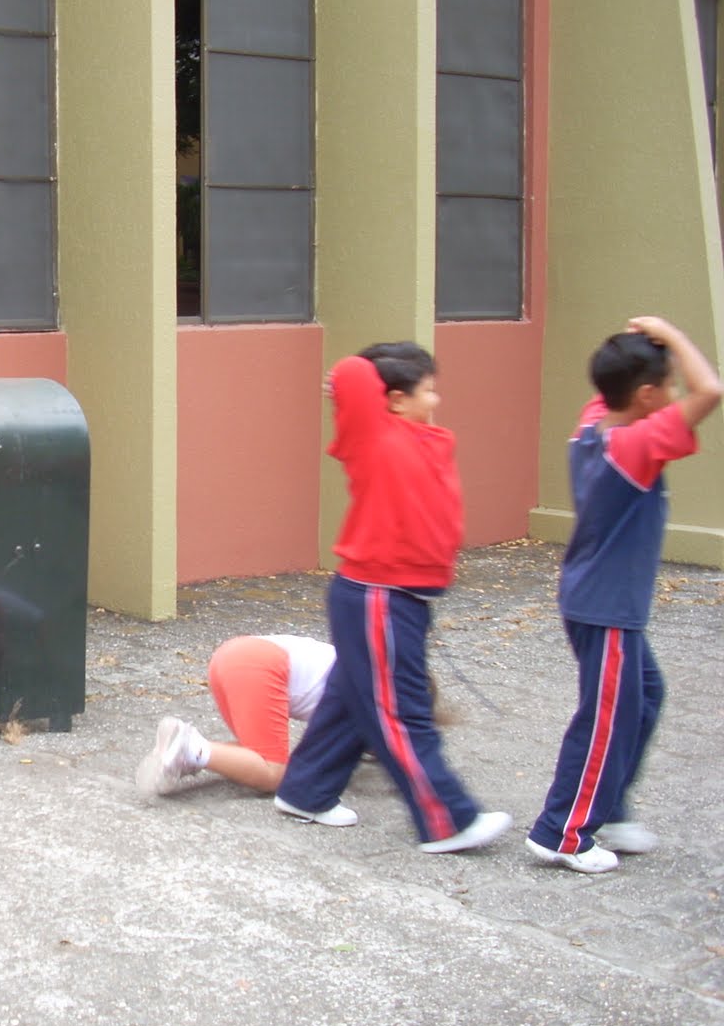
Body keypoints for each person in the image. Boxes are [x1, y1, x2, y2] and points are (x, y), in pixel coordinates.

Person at [273, 342, 510, 853]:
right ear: (395, 400)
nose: (437, 399)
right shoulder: (372, 435)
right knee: (397, 710)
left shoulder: (424, 439)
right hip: (376, 594)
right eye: (428, 390)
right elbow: (355, 372)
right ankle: (447, 819)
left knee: (350, 699)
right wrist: (349, 378)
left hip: (402, 597)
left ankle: (305, 792)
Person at [526, 317, 721, 874]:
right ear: (646, 396)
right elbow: (711, 390)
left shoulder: (594, 428)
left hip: (600, 600)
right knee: (606, 717)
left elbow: (616, 385)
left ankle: (606, 808)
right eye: (667, 387)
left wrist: (635, 344)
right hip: (607, 607)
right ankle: (562, 831)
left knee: (645, 695)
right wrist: (670, 332)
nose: (677, 395)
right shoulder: (636, 445)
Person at [136, 634, 337, 797]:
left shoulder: (353, 662)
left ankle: (179, 753)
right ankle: (191, 749)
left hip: (232, 655)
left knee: (255, 755)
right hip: (262, 665)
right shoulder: (364, 692)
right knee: (274, 772)